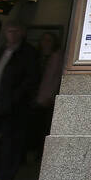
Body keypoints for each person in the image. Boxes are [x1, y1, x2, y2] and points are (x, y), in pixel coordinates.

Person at [0, 19, 40, 180]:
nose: (11, 35)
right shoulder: (3, 51)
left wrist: (16, 97)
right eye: (8, 31)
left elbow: (31, 79)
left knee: (10, 140)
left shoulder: (28, 53)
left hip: (13, 104)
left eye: (15, 31)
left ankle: (5, 175)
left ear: (22, 33)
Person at [30, 31, 63, 163]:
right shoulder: (36, 57)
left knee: (44, 127)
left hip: (48, 98)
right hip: (33, 95)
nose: (45, 43)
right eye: (43, 40)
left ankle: (41, 155)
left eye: (49, 40)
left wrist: (50, 95)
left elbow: (55, 78)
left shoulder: (56, 57)